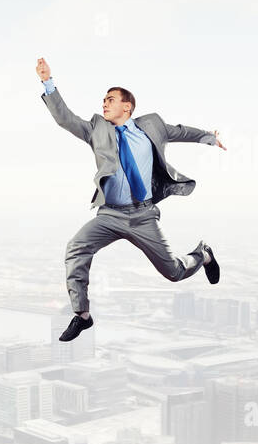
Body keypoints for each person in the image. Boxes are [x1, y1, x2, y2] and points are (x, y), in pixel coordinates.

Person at [36, 57, 225, 341]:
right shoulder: (96, 129)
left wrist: (208, 137)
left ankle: (203, 255)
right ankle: (82, 316)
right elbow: (65, 118)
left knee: (173, 272)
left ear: (128, 106)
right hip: (109, 215)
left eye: (110, 99)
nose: (104, 104)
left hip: (143, 215)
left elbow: (181, 131)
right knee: (76, 248)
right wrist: (47, 81)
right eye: (103, 100)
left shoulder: (153, 125)